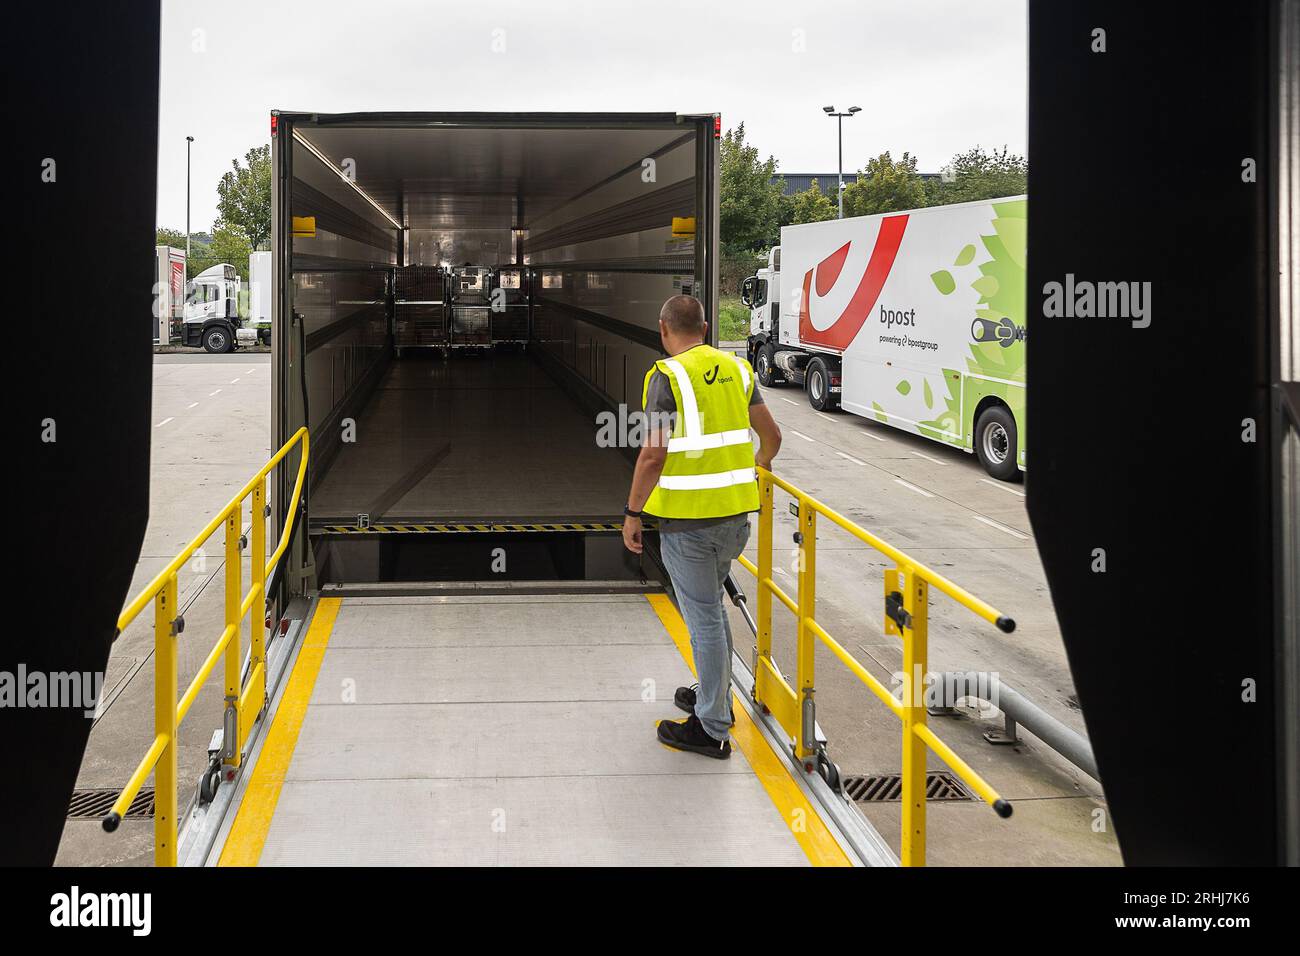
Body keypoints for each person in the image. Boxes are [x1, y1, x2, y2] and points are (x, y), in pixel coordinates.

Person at [622, 294, 782, 758]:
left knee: (704, 620)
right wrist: (757, 466)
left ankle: (712, 729)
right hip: (736, 519)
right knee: (712, 610)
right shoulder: (738, 370)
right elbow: (771, 437)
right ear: (707, 328)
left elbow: (653, 455)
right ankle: (715, 697)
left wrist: (633, 514)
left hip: (688, 526)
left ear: (663, 329)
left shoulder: (666, 376)